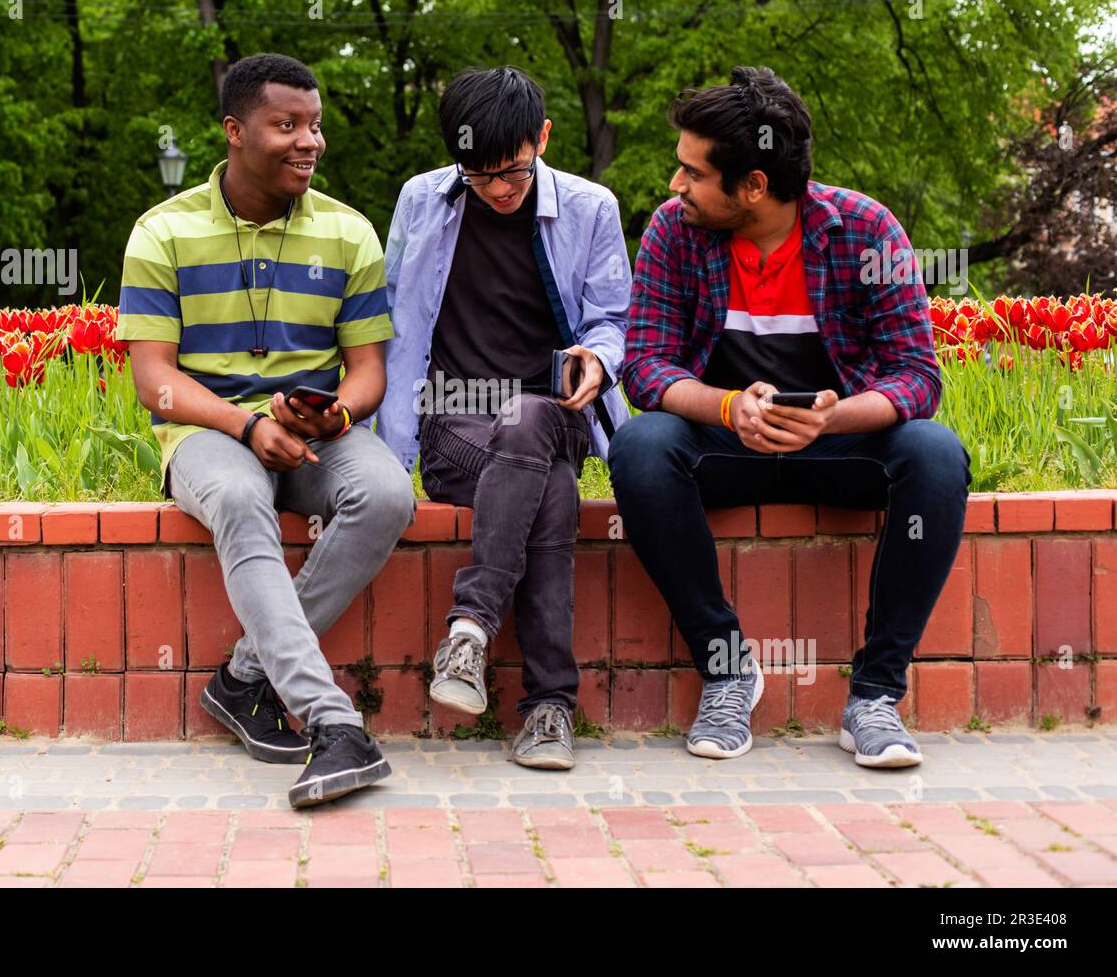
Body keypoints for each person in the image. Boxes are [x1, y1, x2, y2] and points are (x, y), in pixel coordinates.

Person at [609, 65, 971, 768]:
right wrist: (724, 405)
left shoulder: (866, 230)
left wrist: (831, 419)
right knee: (641, 446)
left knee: (934, 453)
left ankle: (874, 696)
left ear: (753, 187)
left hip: (838, 449)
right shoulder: (673, 232)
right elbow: (646, 366)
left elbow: (917, 377)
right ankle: (727, 670)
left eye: (692, 173)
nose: (675, 186)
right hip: (725, 446)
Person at [116, 53, 415, 808]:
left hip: (317, 433)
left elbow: (368, 372)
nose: (308, 141)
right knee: (243, 500)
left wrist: (337, 412)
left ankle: (243, 677)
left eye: (314, 125)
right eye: (286, 125)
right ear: (235, 131)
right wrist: (247, 428)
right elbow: (155, 380)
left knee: (385, 495)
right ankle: (333, 722)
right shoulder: (163, 231)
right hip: (208, 430)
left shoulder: (348, 233)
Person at [376, 66, 631, 770]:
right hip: (455, 422)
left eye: (513, 171)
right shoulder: (421, 201)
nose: (497, 189)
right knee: (551, 488)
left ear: (542, 138)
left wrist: (598, 359)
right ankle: (550, 709)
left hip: (561, 407)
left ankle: (470, 628)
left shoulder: (591, 208)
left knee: (531, 421)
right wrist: (390, 454)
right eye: (479, 174)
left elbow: (614, 319)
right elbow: (398, 322)